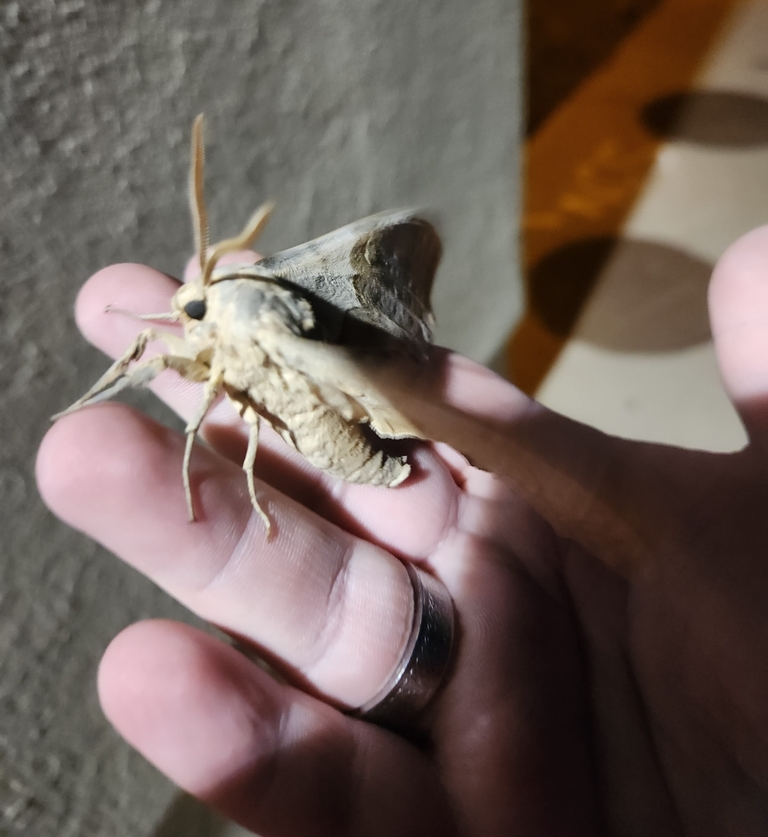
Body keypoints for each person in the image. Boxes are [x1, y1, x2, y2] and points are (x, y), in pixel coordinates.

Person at [36, 224, 768, 837]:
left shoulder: (240, 323)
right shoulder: (232, 316)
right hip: (346, 408)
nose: (184, 316)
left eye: (193, 311)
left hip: (351, 424)